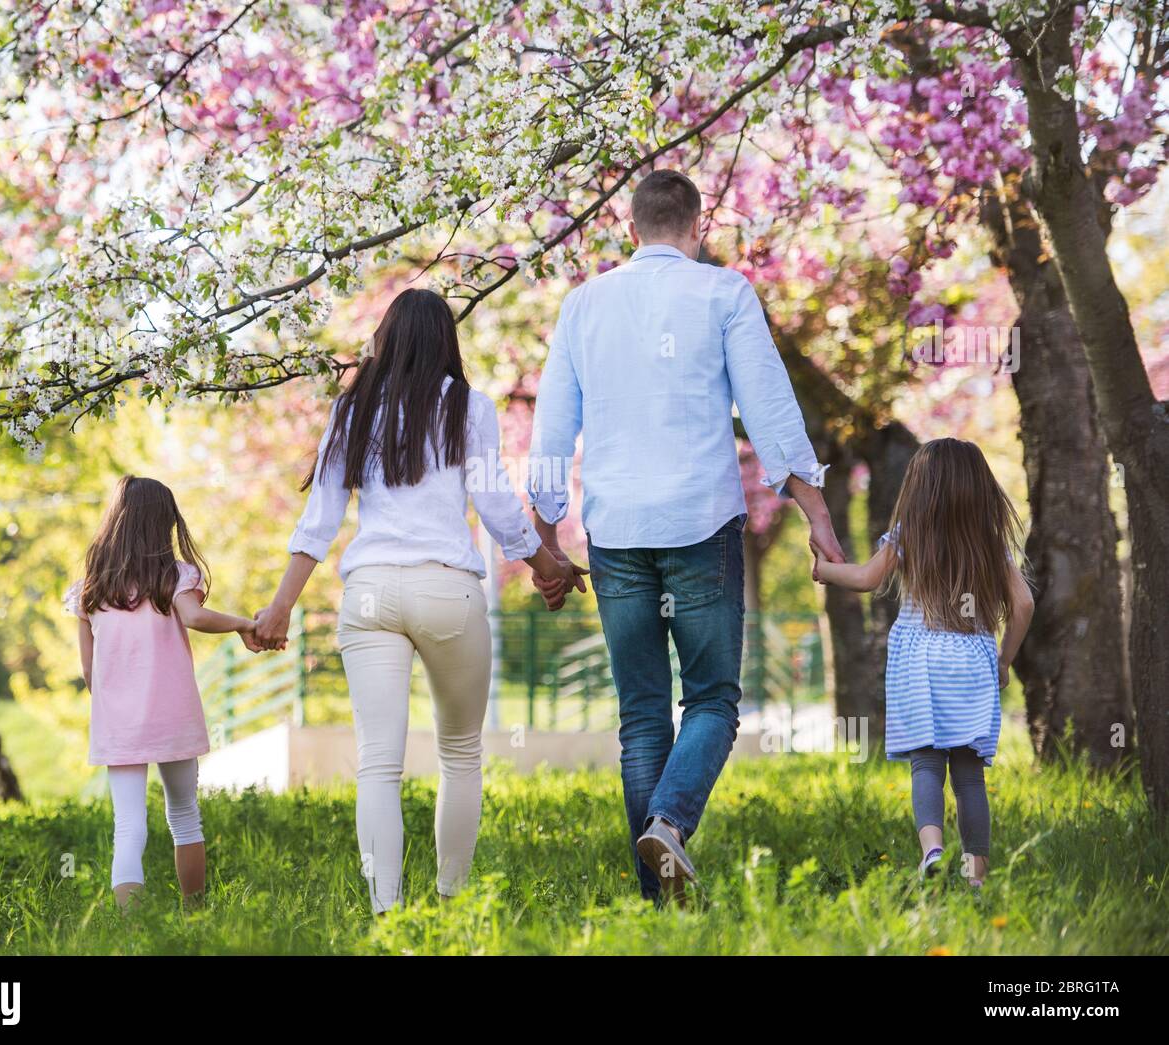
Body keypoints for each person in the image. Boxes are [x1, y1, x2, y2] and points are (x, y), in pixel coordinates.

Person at [527, 169, 843, 904]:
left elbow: (551, 429)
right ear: (698, 228)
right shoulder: (724, 293)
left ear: (630, 229)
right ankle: (669, 823)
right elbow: (768, 407)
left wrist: (544, 535)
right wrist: (815, 511)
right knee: (712, 701)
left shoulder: (584, 305)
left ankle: (656, 899)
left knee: (641, 716)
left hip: (617, 529)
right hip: (701, 524)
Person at [252, 288, 585, 915]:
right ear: (445, 344)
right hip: (447, 591)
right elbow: (497, 511)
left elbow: (318, 521)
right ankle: (451, 901)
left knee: (378, 763)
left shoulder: (352, 412)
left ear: (387, 339)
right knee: (460, 753)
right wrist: (552, 567)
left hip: (372, 592)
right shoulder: (470, 408)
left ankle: (385, 909)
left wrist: (279, 606)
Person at [813, 438, 1034, 888]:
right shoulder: (991, 544)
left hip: (920, 659)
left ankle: (932, 849)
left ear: (920, 488)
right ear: (980, 489)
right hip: (972, 659)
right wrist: (1004, 660)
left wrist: (824, 569)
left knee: (926, 765)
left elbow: (864, 579)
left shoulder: (908, 536)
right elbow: (1024, 604)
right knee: (969, 777)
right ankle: (975, 876)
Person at [68, 475, 258, 908]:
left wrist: (116, 703)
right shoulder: (174, 576)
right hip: (172, 716)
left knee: (128, 826)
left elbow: (87, 669)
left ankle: (131, 934)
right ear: (163, 525)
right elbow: (195, 619)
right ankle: (194, 913)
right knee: (185, 816)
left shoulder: (91, 589)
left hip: (118, 724)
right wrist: (244, 624)